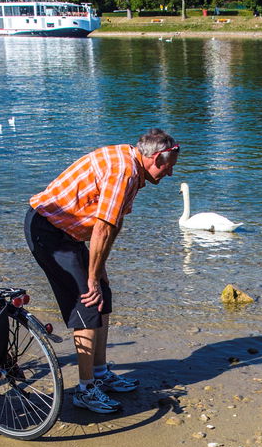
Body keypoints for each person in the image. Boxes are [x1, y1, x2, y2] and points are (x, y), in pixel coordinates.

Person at [24, 128, 179, 414]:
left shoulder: (133, 167)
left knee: (102, 295)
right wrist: (91, 278)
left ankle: (99, 372)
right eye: (168, 168)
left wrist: (100, 269)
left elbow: (113, 222)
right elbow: (102, 228)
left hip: (67, 233)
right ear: (156, 159)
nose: (169, 174)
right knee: (88, 302)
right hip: (47, 230)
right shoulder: (125, 172)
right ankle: (85, 390)